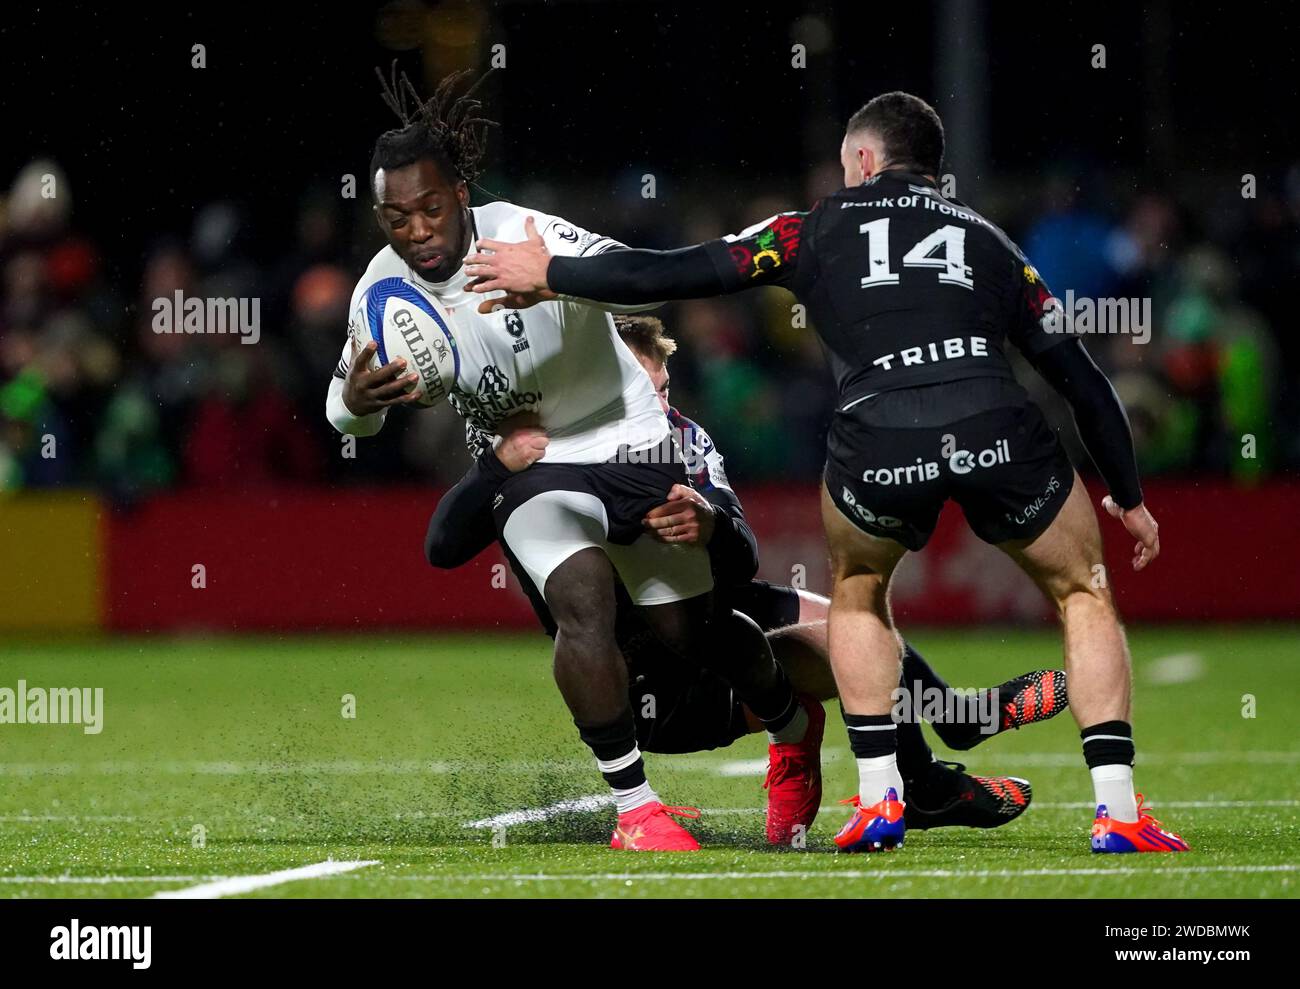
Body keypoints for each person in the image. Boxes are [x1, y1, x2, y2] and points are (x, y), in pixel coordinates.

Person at [461, 92, 1189, 855]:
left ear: (864, 159)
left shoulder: (809, 229)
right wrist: (1129, 497)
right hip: (992, 420)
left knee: (858, 594)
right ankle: (1117, 811)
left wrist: (555, 272)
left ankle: (881, 801)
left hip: (878, 432)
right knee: (1084, 591)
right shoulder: (991, 242)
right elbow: (1080, 378)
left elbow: (676, 271)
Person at [326, 68, 807, 852]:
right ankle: (638, 811)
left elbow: (642, 278)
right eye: (394, 216)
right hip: (532, 463)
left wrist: (553, 277)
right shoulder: (379, 292)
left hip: (624, 435)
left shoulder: (527, 234)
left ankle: (792, 727)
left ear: (462, 191)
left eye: (429, 207)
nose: (414, 229)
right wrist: (359, 399)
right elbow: (343, 409)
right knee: (583, 602)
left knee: (693, 632)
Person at [426, 314, 1071, 843]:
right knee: (822, 647)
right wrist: (492, 469)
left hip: (718, 613)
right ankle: (912, 761)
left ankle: (948, 730)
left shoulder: (683, 439)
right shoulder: (542, 455)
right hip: (661, 687)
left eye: (665, 387)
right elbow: (442, 547)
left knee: (857, 627)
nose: (659, 404)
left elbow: (742, 556)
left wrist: (709, 526)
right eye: (643, 390)